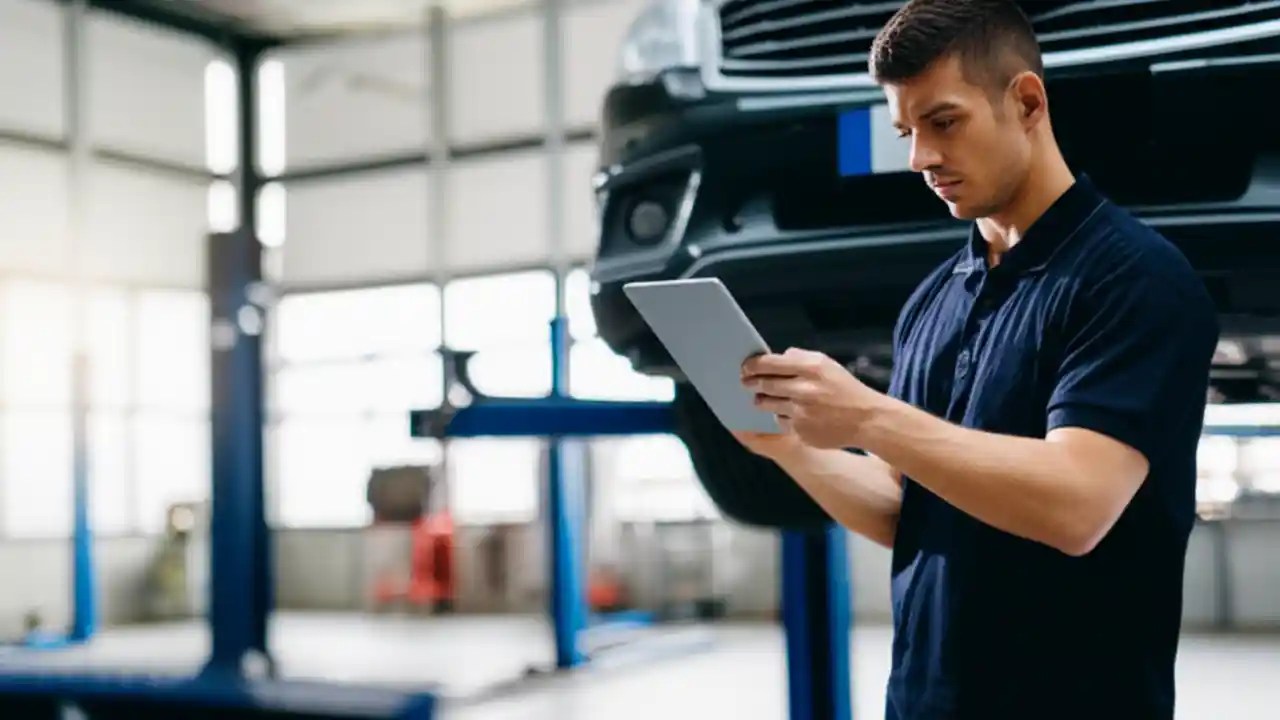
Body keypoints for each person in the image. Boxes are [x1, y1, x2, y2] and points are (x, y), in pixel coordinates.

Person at [735, 1, 1220, 718]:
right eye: (905, 131)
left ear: (1026, 101)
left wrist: (867, 415)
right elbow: (911, 513)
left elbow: (1077, 505)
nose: (919, 158)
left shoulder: (1134, 278)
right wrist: (788, 449)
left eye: (944, 122)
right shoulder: (933, 301)